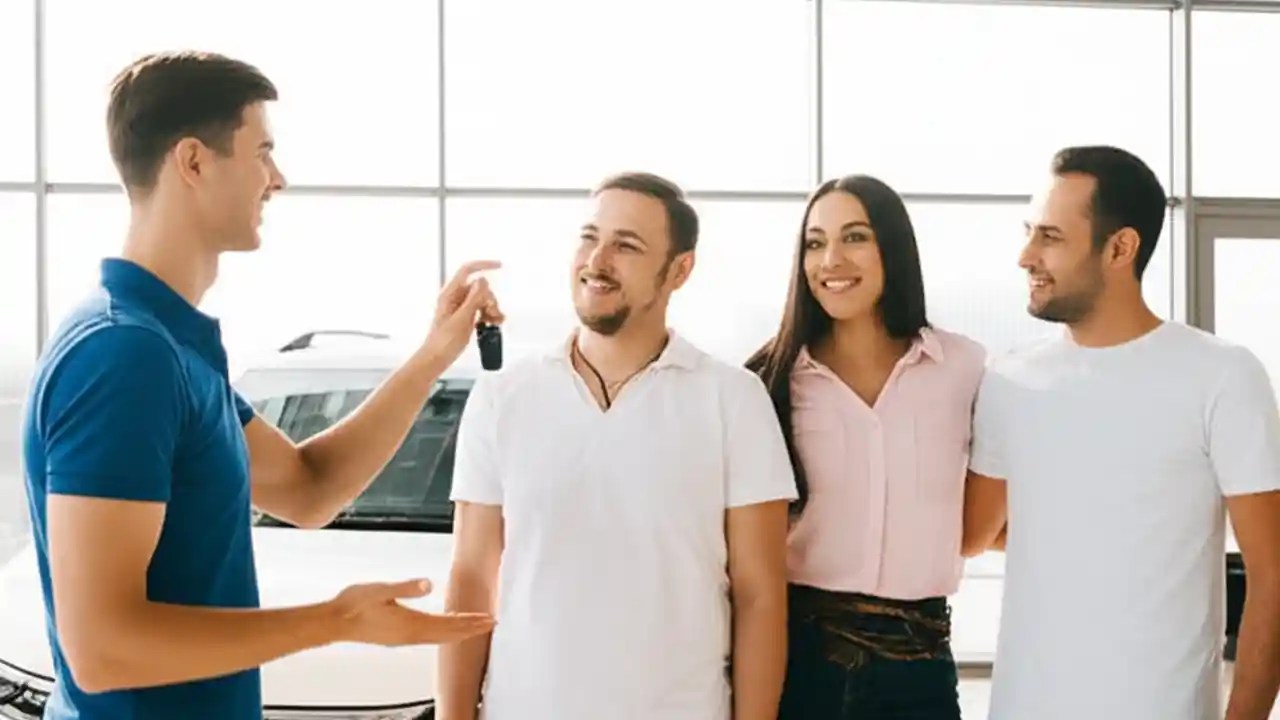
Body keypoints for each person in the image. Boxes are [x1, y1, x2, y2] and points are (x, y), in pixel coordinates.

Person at [20, 51, 500, 720]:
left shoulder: (171, 345)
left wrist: (432, 355)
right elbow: (103, 649)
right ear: (193, 162)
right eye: (262, 152)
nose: (278, 179)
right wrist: (335, 620)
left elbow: (308, 489)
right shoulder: (124, 355)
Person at [436, 172, 798, 720]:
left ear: (680, 270)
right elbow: (470, 577)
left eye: (626, 245)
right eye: (589, 236)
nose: (597, 259)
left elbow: (760, 593)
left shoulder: (734, 400)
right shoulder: (502, 397)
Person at [963, 145, 1280, 720]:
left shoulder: (1222, 376)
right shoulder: (1009, 379)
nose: (1025, 255)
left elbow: (1274, 572)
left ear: (1120, 248)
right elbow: (971, 532)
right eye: (1029, 231)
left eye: (1050, 237)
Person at [746, 175, 984, 719]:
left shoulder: (964, 369)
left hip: (921, 665)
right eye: (814, 242)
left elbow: (987, 510)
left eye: (854, 237)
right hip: (803, 663)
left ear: (892, 249)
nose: (831, 259)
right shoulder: (767, 383)